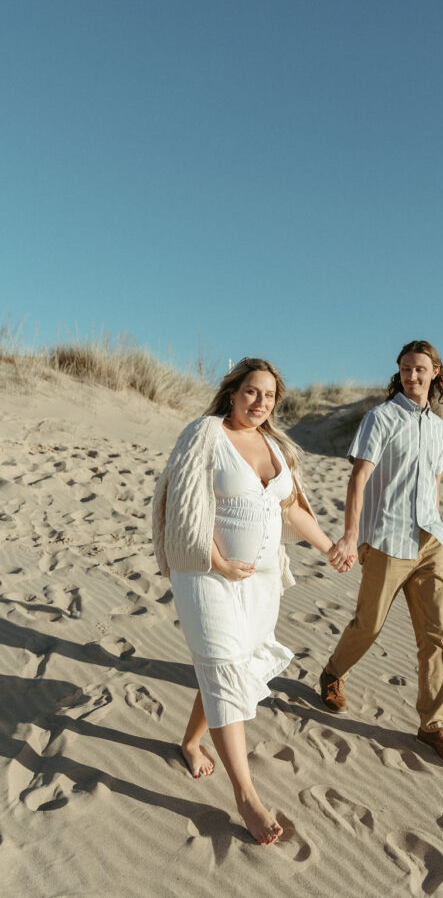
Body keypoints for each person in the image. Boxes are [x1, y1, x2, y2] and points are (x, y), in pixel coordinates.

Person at [152, 358, 339, 845]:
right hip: (205, 574)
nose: (261, 403)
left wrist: (331, 547)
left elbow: (292, 506)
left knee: (227, 666)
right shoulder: (206, 434)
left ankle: (191, 740)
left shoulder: (276, 447)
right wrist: (217, 562)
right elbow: (183, 506)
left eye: (270, 396)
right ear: (233, 392)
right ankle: (245, 796)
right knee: (221, 663)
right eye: (252, 392)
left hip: (260, 583)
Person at [323, 340, 443, 766]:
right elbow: (358, 480)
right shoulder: (380, 418)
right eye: (406, 368)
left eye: (420, 368)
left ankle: (432, 727)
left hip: (429, 544)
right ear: (399, 372)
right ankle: (332, 674)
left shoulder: (440, 429)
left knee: (436, 637)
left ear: (435, 373)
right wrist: (351, 537)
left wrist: (436, 526)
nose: (412, 375)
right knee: (368, 625)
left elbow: (435, 484)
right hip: (387, 541)